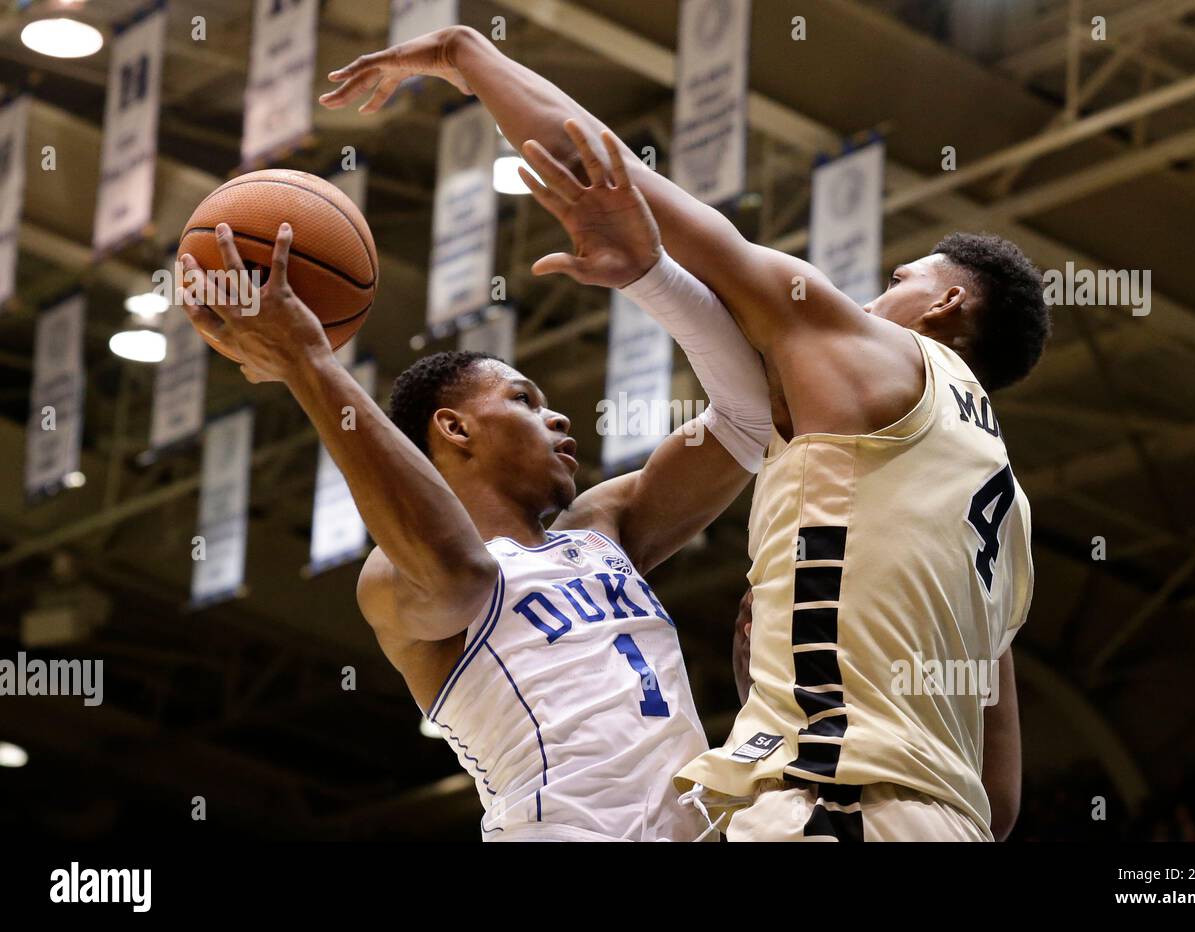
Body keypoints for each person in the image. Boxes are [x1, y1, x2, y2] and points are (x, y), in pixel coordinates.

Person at [322, 25, 1049, 841]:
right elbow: (1002, 796)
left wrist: (468, 58)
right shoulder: (1005, 518)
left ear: (946, 309)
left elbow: (621, 181)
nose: (872, 302)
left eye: (897, 282)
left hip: (831, 807)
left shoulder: (874, 363)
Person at [175, 130, 772, 841]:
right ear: (455, 430)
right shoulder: (391, 577)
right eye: (523, 399)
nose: (556, 414)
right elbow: (461, 574)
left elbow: (747, 415)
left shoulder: (604, 526)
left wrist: (651, 275)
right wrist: (310, 363)